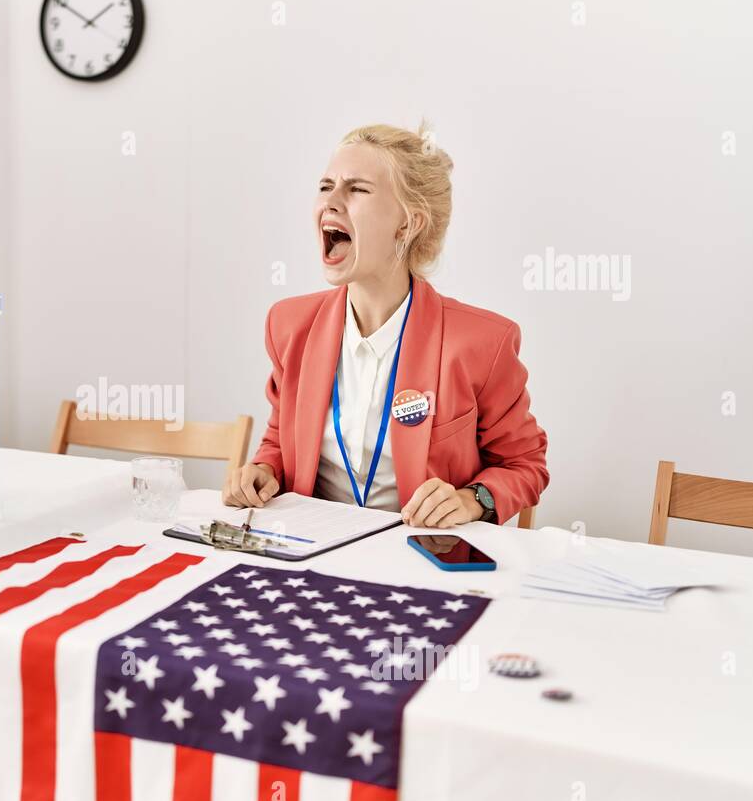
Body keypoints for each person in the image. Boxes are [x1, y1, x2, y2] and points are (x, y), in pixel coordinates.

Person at [223, 122, 548, 528]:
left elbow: (524, 464)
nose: (331, 202)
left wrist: (472, 499)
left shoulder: (483, 343)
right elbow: (280, 441)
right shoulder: (288, 326)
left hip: (417, 562)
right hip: (312, 554)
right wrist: (265, 470)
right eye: (325, 186)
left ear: (408, 224)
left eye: (356, 189)